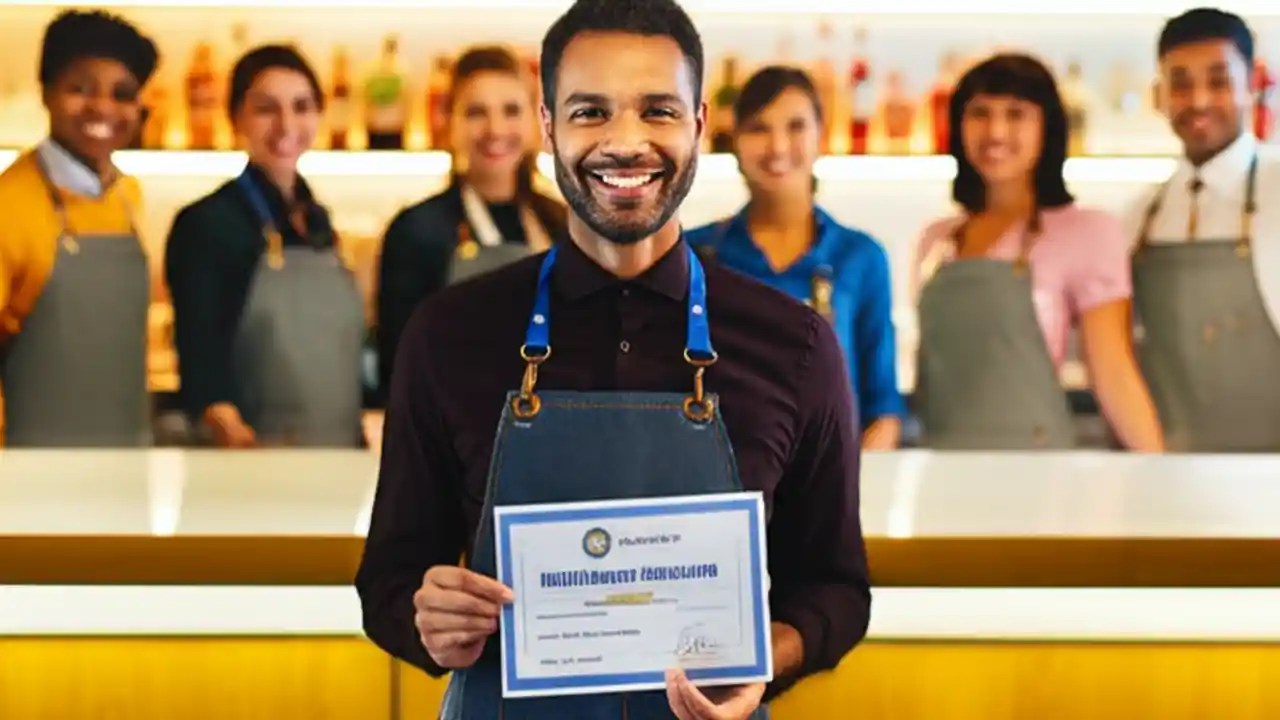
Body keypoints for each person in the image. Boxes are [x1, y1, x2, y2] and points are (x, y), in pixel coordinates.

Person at [356, 1, 871, 718]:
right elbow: (387, 579)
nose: (625, 143)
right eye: (591, 112)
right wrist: (428, 619)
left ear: (697, 125)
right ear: (548, 127)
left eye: (657, 111)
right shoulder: (448, 334)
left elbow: (836, 588)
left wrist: (767, 660)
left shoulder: (795, 346)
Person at [912, 53, 1164, 451]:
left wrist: (1158, 469)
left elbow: (1113, 370)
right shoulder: (936, 240)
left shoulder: (1087, 232)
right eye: (979, 113)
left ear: (1047, 128)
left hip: (1038, 472)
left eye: (1016, 114)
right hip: (941, 464)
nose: (995, 131)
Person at [686, 66, 905, 450]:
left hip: (830, 487)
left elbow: (882, 409)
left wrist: (848, 488)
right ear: (734, 140)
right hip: (725, 487)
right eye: (758, 128)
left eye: (796, 126)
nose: (778, 146)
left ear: (821, 135)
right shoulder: (696, 256)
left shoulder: (860, 257)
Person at [164, 45, 364, 448]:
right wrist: (231, 432)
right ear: (236, 117)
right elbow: (201, 357)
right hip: (252, 459)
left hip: (338, 453)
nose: (286, 124)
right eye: (266, 108)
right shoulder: (206, 223)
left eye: (302, 106)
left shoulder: (320, 222)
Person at [0, 10, 157, 447]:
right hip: (28, 473)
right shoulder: (8, 206)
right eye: (80, 88)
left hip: (126, 464)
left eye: (123, 93)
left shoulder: (131, 198)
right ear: (46, 93)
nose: (103, 107)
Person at [376, 45, 567, 402]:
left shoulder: (563, 224)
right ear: (448, 121)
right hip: (454, 436)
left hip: (552, 430)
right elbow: (399, 369)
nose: (495, 128)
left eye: (511, 111)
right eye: (476, 112)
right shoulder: (416, 230)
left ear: (537, 121)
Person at [1132, 8, 1280, 452]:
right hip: (1166, 473)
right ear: (1159, 95)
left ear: (1252, 85)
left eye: (1218, 81)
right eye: (1180, 83)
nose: (1198, 101)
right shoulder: (1139, 217)